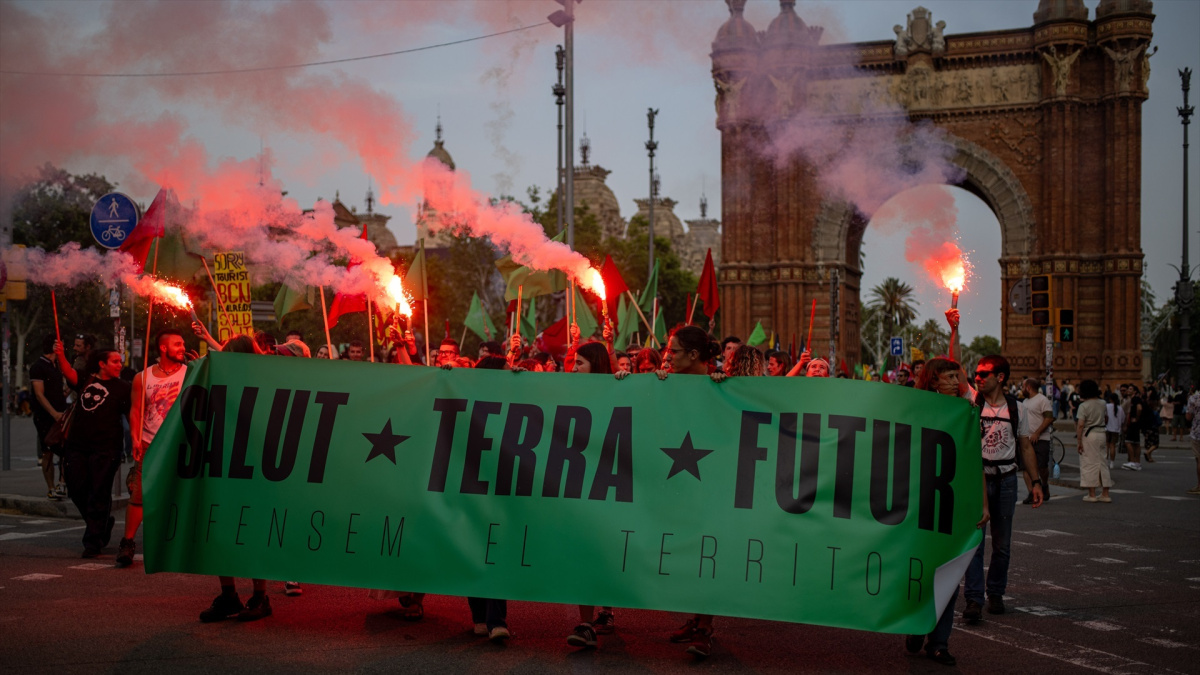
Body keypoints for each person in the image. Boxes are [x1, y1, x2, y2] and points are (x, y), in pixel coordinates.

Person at [905, 357, 990, 667]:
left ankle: (939, 642)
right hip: (922, 501)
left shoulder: (968, 413)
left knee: (951, 573)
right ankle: (916, 625)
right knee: (922, 570)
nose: (958, 381)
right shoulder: (915, 407)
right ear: (933, 381)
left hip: (955, 502)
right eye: (950, 376)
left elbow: (974, 460)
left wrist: (983, 502)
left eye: (958, 376)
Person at [655, 326, 726, 658]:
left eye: (673, 351)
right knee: (686, 550)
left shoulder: (722, 388)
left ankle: (706, 628)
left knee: (706, 551)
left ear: (695, 356)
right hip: (678, 481)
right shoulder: (665, 384)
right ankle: (695, 618)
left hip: (711, 483)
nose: (667, 356)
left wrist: (729, 391)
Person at [964, 353, 1043, 624]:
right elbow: (954, 364)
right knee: (974, 544)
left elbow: (1025, 447)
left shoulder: (1016, 408)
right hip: (978, 479)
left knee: (1002, 545)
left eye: (983, 373)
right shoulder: (972, 402)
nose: (977, 377)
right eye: (976, 373)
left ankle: (995, 593)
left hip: (1007, 480)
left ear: (999, 377)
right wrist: (954, 330)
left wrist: (1036, 482)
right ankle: (974, 599)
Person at [564, 339, 623, 649]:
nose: (573, 370)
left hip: (610, 486)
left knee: (605, 552)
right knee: (584, 551)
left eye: (579, 364)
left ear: (596, 365)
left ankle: (607, 610)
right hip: (579, 485)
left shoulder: (619, 389)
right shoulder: (570, 392)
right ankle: (586, 623)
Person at [117, 329, 189, 569]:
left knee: (178, 493)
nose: (182, 347)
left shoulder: (190, 373)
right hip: (149, 443)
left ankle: (174, 543)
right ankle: (127, 543)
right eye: (177, 344)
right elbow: (136, 410)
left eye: (183, 344)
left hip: (180, 443)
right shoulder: (142, 378)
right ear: (163, 348)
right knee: (139, 495)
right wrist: (135, 439)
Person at [62, 349, 130, 557]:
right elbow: (69, 373)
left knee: (99, 492)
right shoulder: (86, 380)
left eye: (120, 361)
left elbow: (132, 415)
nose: (120, 365)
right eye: (115, 361)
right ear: (102, 364)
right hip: (77, 446)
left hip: (107, 448)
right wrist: (60, 354)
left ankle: (92, 542)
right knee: (76, 488)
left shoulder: (123, 388)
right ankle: (102, 522)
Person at [30, 335, 77, 500]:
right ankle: (51, 487)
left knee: (66, 448)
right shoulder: (38, 367)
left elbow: (60, 392)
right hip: (46, 417)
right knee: (47, 451)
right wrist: (53, 413)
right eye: (60, 346)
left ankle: (62, 483)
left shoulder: (56, 366)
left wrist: (71, 388)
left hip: (61, 413)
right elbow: (39, 394)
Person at [1075, 380, 1111, 503]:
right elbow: (1106, 418)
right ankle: (1105, 493)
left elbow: (1080, 425)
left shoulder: (1083, 406)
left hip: (1089, 434)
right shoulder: (1103, 403)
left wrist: (1079, 441)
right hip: (1101, 432)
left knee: (1089, 463)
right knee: (1102, 463)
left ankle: (1092, 494)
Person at [1020, 378, 1055, 503]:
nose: (1021, 389)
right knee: (1025, 468)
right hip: (1026, 440)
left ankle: (1044, 485)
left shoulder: (1042, 400)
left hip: (1041, 439)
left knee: (1042, 467)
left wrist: (1037, 433)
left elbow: (1049, 418)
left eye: (1023, 387)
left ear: (1028, 387)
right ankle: (1031, 492)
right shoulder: (1024, 402)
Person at [1122, 385, 1145, 471]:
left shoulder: (1135, 399)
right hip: (1136, 424)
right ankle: (1137, 463)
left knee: (1128, 442)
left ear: (1135, 391)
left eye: (1130, 389)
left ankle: (1132, 461)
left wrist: (1136, 418)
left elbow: (1139, 408)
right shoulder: (1134, 399)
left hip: (1133, 423)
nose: (1128, 390)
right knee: (1136, 443)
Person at [1185, 387, 1200, 495]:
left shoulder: (1194, 398)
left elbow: (1188, 417)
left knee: (1199, 460)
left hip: (1197, 432)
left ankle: (1199, 485)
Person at [1104, 393, 1125, 470]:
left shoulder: (1107, 406)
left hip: (1107, 428)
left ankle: (1105, 461)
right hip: (1116, 429)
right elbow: (1123, 420)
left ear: (1110, 399)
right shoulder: (1120, 408)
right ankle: (1112, 462)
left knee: (1106, 446)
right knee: (1113, 446)